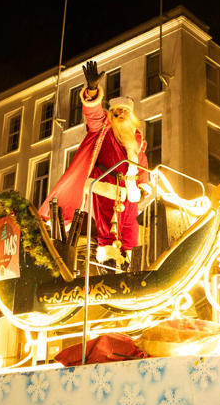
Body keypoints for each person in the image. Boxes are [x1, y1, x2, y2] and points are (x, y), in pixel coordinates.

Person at [38, 61, 151, 271]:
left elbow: (141, 163)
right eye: (116, 111)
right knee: (107, 223)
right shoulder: (103, 129)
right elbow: (93, 115)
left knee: (129, 226)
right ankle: (107, 257)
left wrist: (143, 185)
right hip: (105, 182)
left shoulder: (135, 139)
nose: (119, 114)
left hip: (129, 189)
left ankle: (127, 259)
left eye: (124, 111)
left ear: (130, 114)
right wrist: (91, 92)